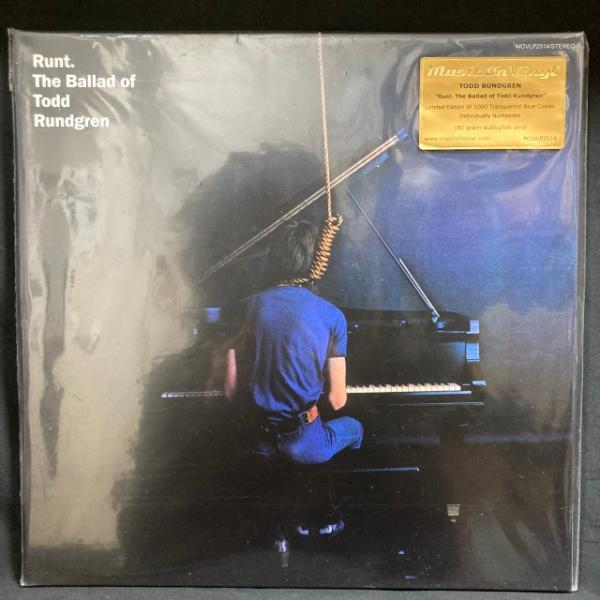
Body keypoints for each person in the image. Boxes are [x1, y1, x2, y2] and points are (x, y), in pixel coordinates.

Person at [224, 220, 364, 465]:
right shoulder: (332, 316)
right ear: (316, 261)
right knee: (356, 428)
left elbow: (230, 391)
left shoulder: (245, 307)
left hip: (257, 443)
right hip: (304, 445)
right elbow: (337, 401)